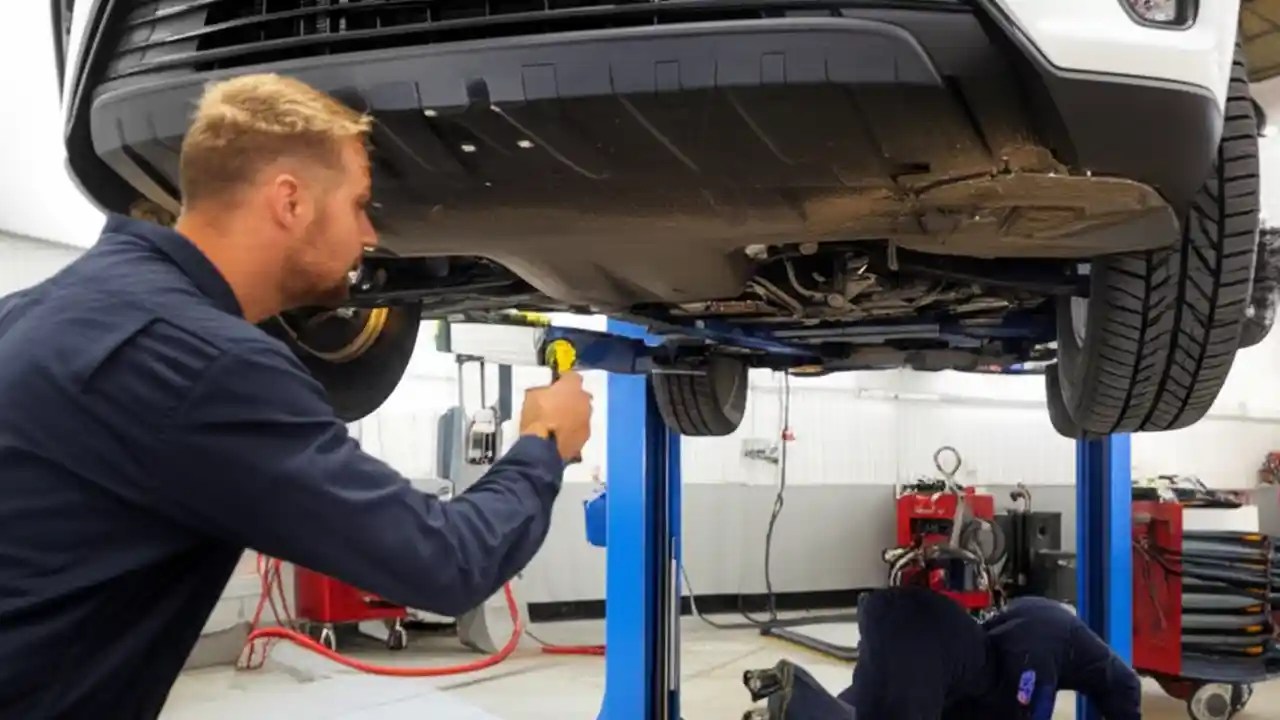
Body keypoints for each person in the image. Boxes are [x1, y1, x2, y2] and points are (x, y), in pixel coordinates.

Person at [0, 73, 592, 719]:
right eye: (359, 204)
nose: (370, 235)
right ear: (291, 201)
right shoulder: (209, 366)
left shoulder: (30, 313)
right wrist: (544, 442)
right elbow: (447, 564)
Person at [742, 587, 1142, 720]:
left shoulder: (1029, 624)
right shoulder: (1043, 653)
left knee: (874, 704)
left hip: (918, 630)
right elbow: (1029, 703)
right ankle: (798, 697)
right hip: (944, 643)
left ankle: (795, 695)